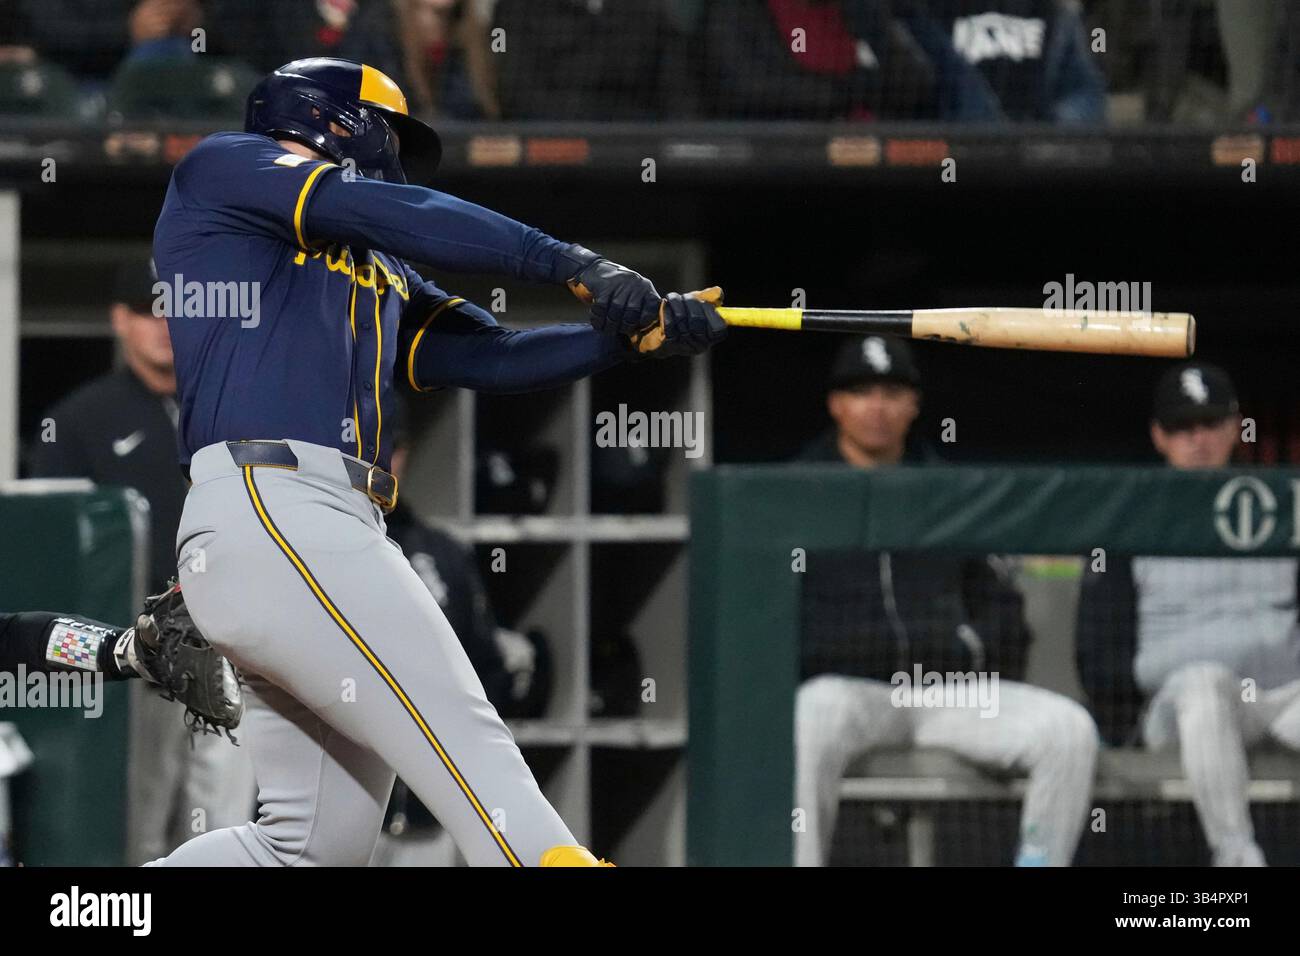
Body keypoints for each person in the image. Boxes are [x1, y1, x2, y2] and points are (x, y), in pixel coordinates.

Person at [150, 57, 725, 867]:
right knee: (466, 735)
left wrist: (631, 337)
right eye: (390, 131)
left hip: (304, 531)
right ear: (337, 118)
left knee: (307, 850)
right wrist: (575, 264)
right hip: (274, 504)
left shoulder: (375, 272)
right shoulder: (228, 168)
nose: (396, 152)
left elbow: (490, 357)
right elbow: (395, 208)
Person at [795, 335, 1098, 866]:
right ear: (835, 404)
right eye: (862, 392)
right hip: (851, 695)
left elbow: (1005, 612)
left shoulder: (949, 494)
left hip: (945, 692)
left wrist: (969, 653)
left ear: (913, 405)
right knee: (811, 712)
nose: (878, 407)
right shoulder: (795, 491)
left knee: (1068, 731)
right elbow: (770, 621)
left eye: (893, 392)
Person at [28, 258, 257, 865]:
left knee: (227, 817)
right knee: (139, 818)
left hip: (233, 634)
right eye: (144, 311)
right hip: (136, 645)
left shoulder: (228, 407)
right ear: (119, 320)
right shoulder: (80, 419)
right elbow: (52, 547)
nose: (161, 326)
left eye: (172, 311)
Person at [1076, 362, 1300, 867]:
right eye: (1182, 427)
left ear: (1235, 426)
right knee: (1203, 682)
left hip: (1277, 699)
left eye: (1210, 424)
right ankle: (1237, 858)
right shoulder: (1128, 520)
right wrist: (1126, 724)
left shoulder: (1283, 510)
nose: (1198, 439)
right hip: (1178, 709)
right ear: (1159, 435)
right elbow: (1096, 657)